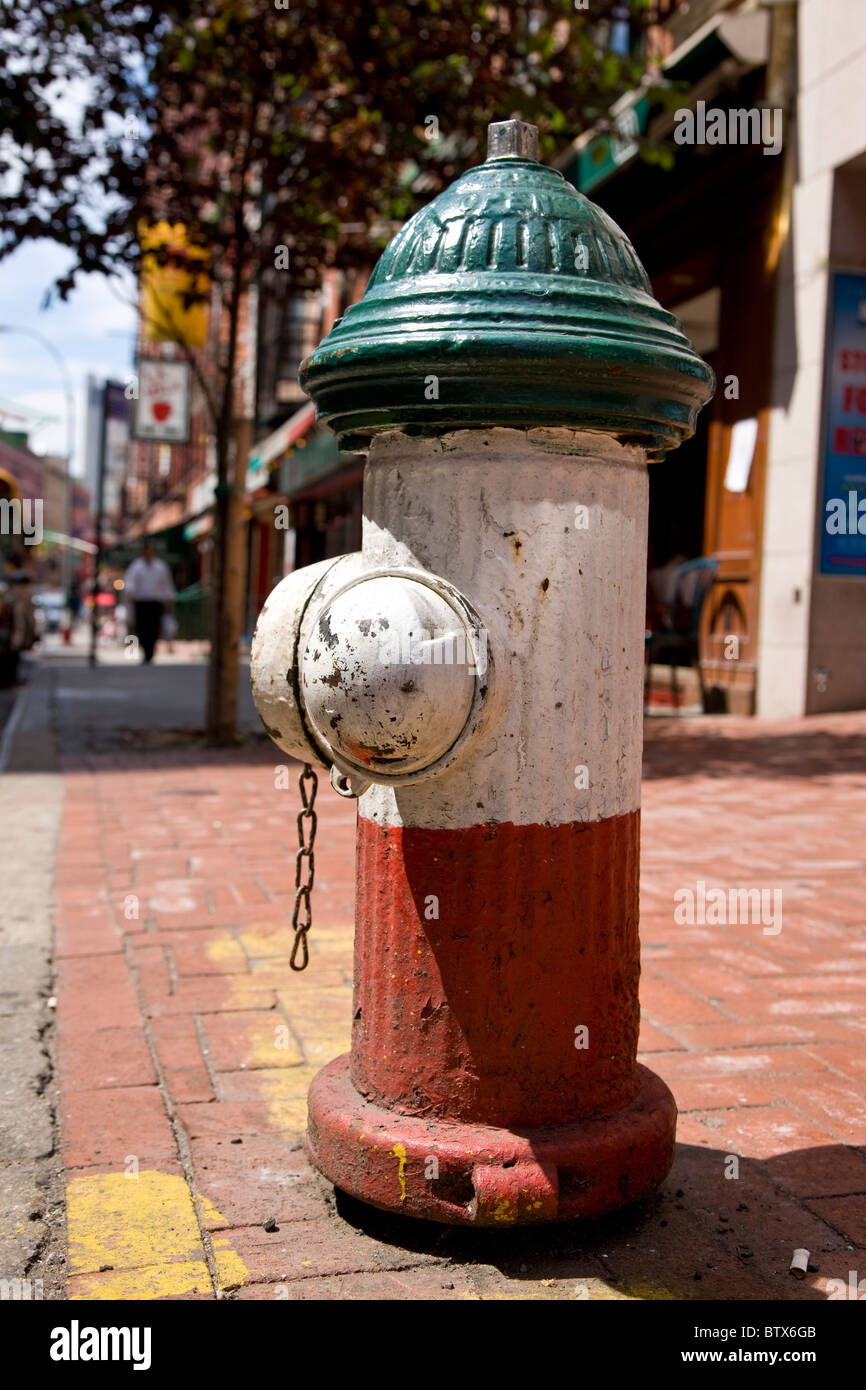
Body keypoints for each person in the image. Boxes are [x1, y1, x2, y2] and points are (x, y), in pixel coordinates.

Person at [123, 542, 175, 664]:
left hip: (155, 602)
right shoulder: (136, 566)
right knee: (142, 628)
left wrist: (168, 600)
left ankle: (150, 652)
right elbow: (130, 583)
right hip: (140, 602)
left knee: (153, 628)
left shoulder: (161, 566)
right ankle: (146, 652)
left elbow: (166, 585)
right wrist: (130, 594)